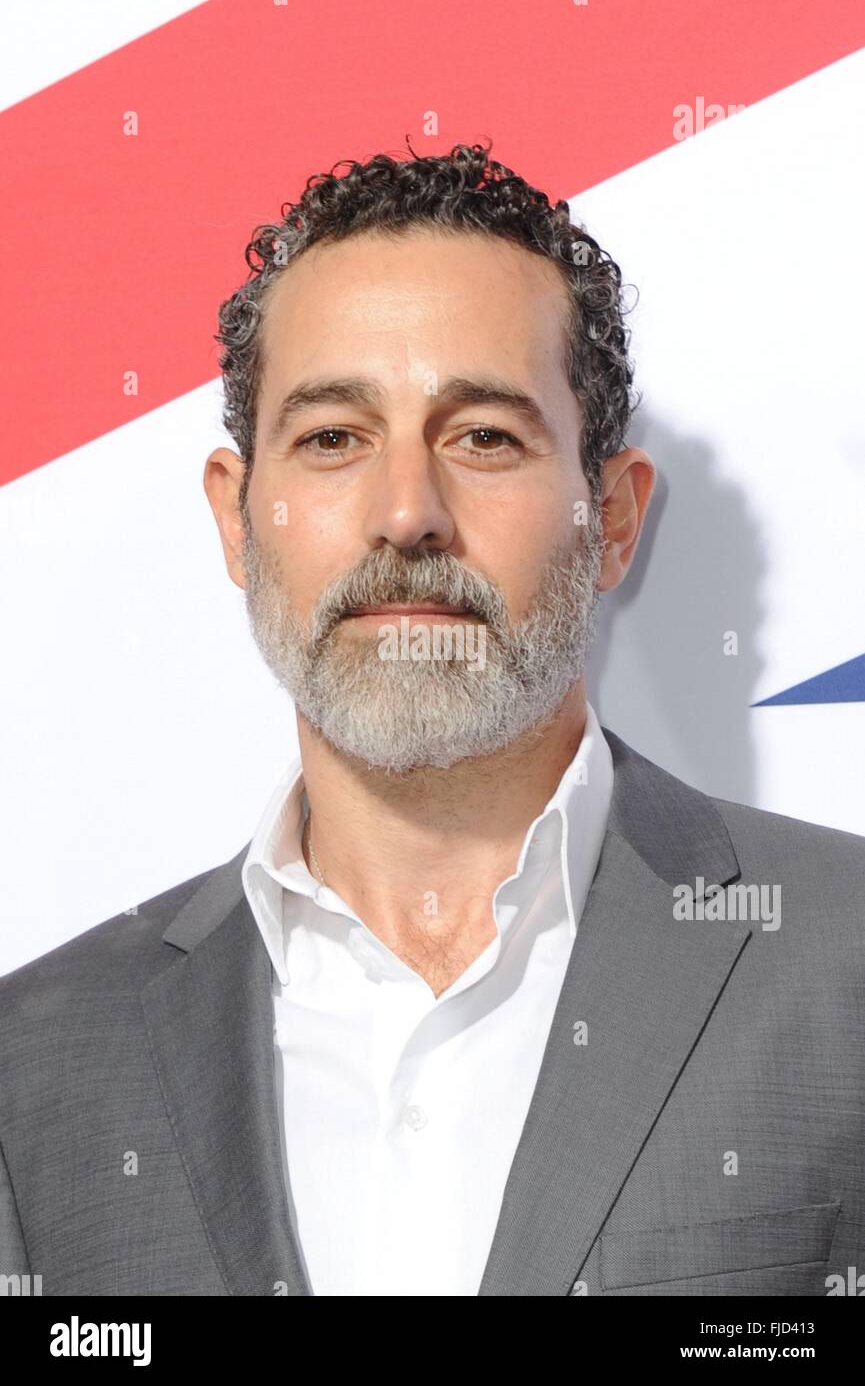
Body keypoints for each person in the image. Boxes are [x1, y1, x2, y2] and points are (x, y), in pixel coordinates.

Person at [1, 143, 862, 1297]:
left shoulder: (841, 965)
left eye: (484, 438)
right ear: (236, 519)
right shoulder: (35, 1065)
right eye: (332, 438)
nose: (407, 514)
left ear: (608, 521)